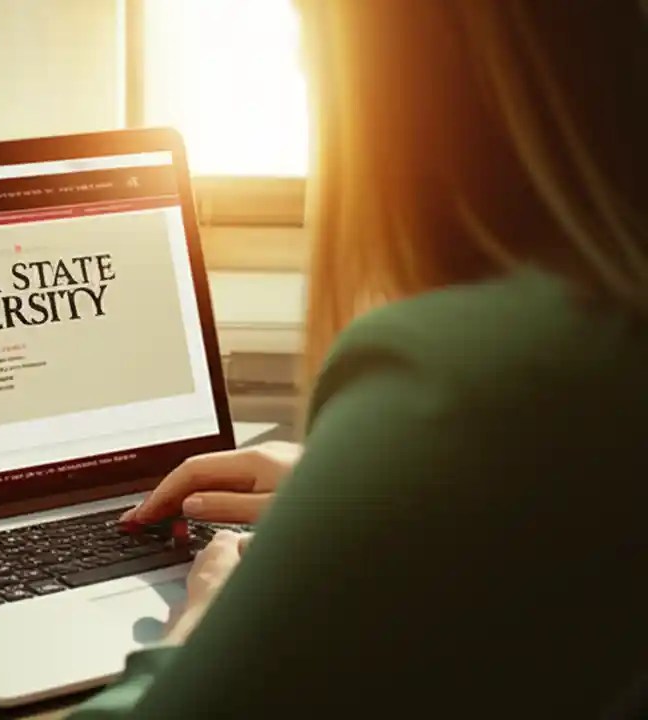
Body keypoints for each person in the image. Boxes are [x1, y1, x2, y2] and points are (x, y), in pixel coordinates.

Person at [70, 1, 647, 717]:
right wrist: (365, 475)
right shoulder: (585, 342)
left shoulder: (460, 377)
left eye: (310, 39)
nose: (301, 65)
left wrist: (191, 635)